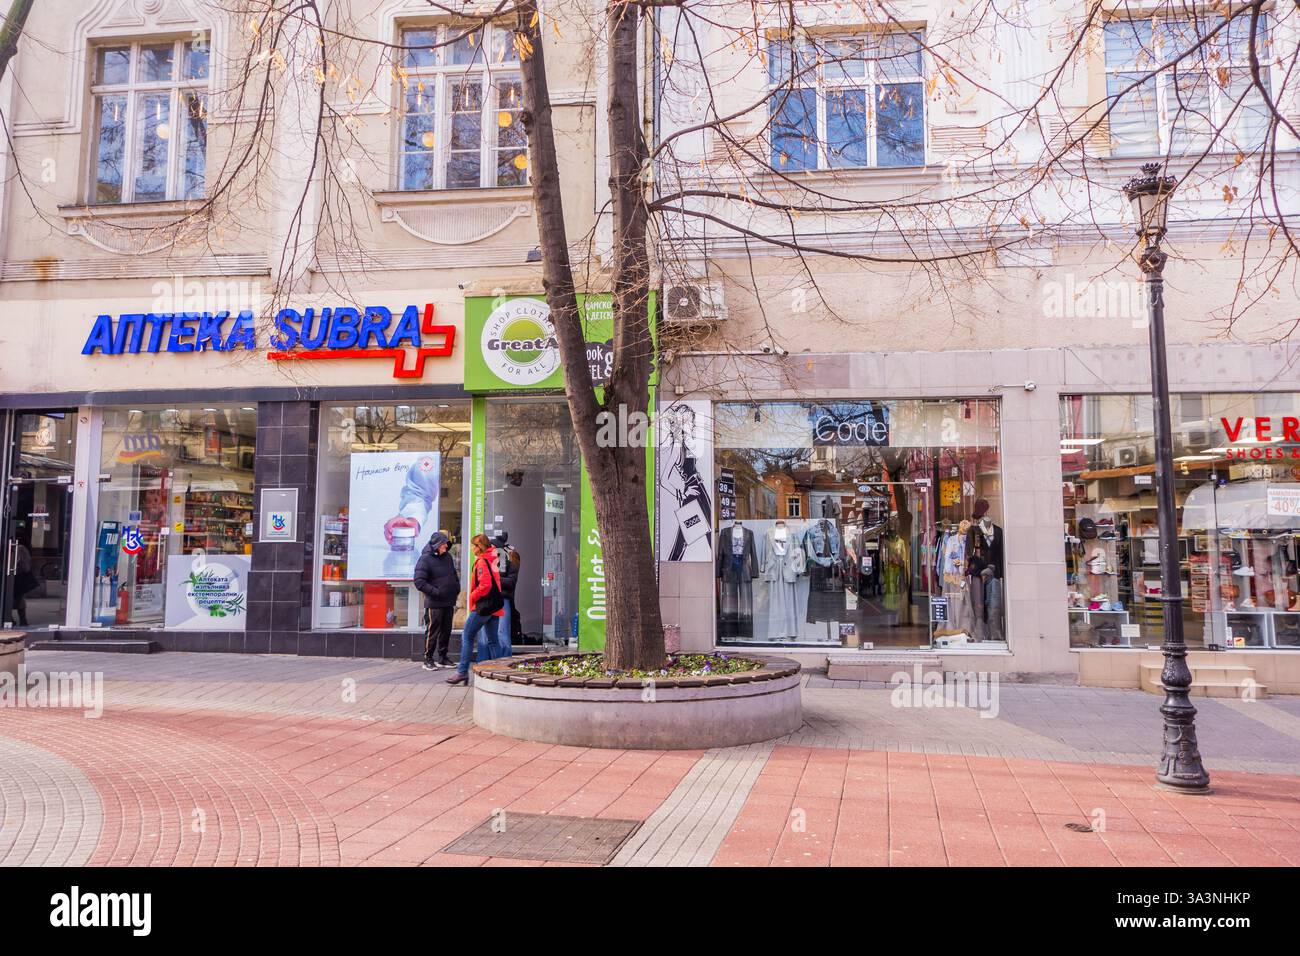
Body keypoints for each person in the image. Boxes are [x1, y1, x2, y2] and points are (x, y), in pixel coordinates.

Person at [446, 534, 504, 686]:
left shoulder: (482, 561)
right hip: (493, 607)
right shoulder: (492, 559)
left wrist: (472, 595)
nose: (471, 548)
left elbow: (485, 585)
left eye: (473, 545)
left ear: (480, 547)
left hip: (482, 607)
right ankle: (499, 672)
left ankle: (462, 671)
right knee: (493, 641)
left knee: (467, 635)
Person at [413, 531, 459, 670]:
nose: (446, 545)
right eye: (444, 543)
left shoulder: (448, 557)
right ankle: (428, 659)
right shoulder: (425, 559)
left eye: (446, 543)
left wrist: (456, 587)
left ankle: (443, 658)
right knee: (433, 631)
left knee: (446, 631)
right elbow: (419, 581)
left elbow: (454, 574)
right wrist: (436, 592)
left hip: (449, 601)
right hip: (435, 603)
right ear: (437, 545)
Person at [492, 532, 519, 656]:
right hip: (493, 600)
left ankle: (504, 660)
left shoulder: (510, 558)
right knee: (492, 633)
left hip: (503, 600)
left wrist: (494, 579)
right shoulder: (491, 561)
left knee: (502, 632)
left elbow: (511, 582)